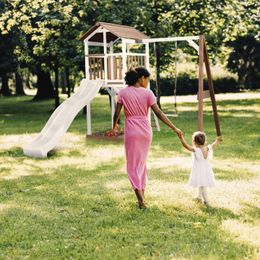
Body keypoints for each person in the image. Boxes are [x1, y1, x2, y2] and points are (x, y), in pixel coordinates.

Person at [109, 67, 182, 209]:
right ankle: (142, 197)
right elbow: (159, 113)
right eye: (147, 79)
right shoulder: (148, 93)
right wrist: (174, 127)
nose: (148, 82)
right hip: (146, 132)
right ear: (141, 78)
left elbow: (117, 113)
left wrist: (115, 126)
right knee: (141, 164)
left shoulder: (123, 92)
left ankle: (141, 200)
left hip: (132, 133)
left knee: (132, 166)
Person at [179, 131, 222, 206]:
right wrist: (218, 140)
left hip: (199, 170)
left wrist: (181, 138)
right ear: (204, 141)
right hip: (206, 169)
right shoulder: (208, 148)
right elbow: (215, 143)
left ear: (194, 142)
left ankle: (206, 201)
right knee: (201, 182)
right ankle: (199, 197)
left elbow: (185, 145)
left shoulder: (195, 149)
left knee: (202, 185)